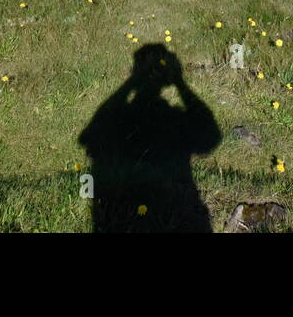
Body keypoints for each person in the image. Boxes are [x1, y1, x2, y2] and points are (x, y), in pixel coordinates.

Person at [78, 44, 221, 232]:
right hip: (173, 208)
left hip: (124, 209)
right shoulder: (174, 122)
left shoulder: (123, 118)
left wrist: (132, 82)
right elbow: (210, 136)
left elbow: (90, 135)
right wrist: (180, 82)